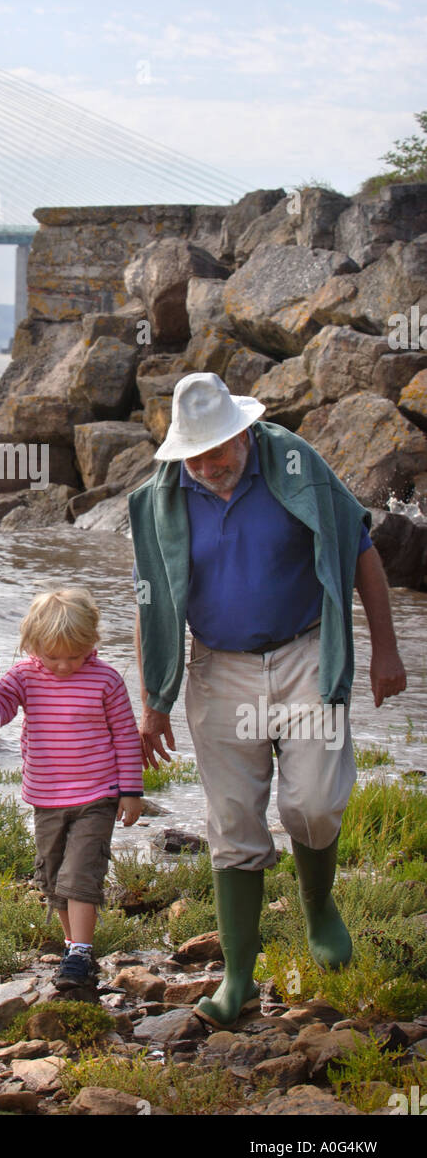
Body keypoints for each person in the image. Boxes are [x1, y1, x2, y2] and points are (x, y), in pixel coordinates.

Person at [128, 371, 407, 1027]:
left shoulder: (292, 463)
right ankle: (238, 978)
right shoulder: (158, 500)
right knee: (231, 824)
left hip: (304, 652)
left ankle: (318, 908)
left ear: (242, 432)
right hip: (218, 667)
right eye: (193, 454)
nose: (207, 464)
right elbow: (150, 601)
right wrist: (152, 700)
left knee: (311, 805)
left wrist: (385, 650)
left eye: (217, 448)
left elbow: (359, 546)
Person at [0, 588, 143, 990]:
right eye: (53, 656)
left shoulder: (106, 680)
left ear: (92, 644)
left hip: (97, 795)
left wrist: (131, 791)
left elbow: (126, 738)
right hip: (46, 797)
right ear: (33, 646)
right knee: (54, 878)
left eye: (74, 656)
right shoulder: (25, 675)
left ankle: (82, 952)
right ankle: (71, 946)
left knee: (80, 874)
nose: (63, 666)